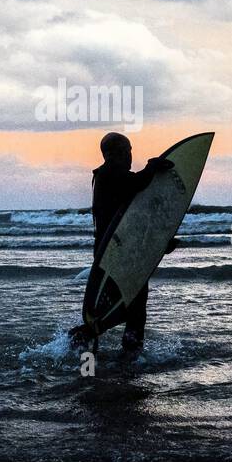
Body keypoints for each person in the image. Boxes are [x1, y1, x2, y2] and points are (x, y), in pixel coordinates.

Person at [69, 132, 177, 354]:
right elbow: (136, 183)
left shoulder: (109, 177)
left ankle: (91, 341)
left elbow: (132, 219)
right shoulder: (109, 173)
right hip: (116, 255)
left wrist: (158, 243)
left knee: (129, 305)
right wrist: (152, 167)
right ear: (114, 153)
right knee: (132, 307)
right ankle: (127, 353)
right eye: (128, 150)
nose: (130, 155)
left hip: (117, 252)